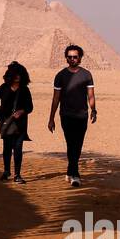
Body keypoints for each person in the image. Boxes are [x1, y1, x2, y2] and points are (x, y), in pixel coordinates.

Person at [47, 44, 96, 186]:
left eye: (75, 57)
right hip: (66, 115)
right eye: (69, 57)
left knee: (78, 144)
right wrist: (51, 118)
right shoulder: (60, 75)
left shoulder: (86, 75)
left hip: (82, 115)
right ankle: (75, 175)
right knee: (71, 143)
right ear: (66, 58)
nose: (72, 59)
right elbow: (56, 98)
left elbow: (91, 95)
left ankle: (70, 171)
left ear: (80, 58)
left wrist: (93, 110)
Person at [0, 61, 33, 184]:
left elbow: (30, 107)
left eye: (20, 74)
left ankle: (17, 175)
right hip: (6, 123)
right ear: (10, 75)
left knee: (18, 149)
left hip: (20, 124)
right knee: (7, 148)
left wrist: (22, 111)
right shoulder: (4, 88)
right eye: (15, 74)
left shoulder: (25, 90)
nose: (18, 76)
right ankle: (6, 171)